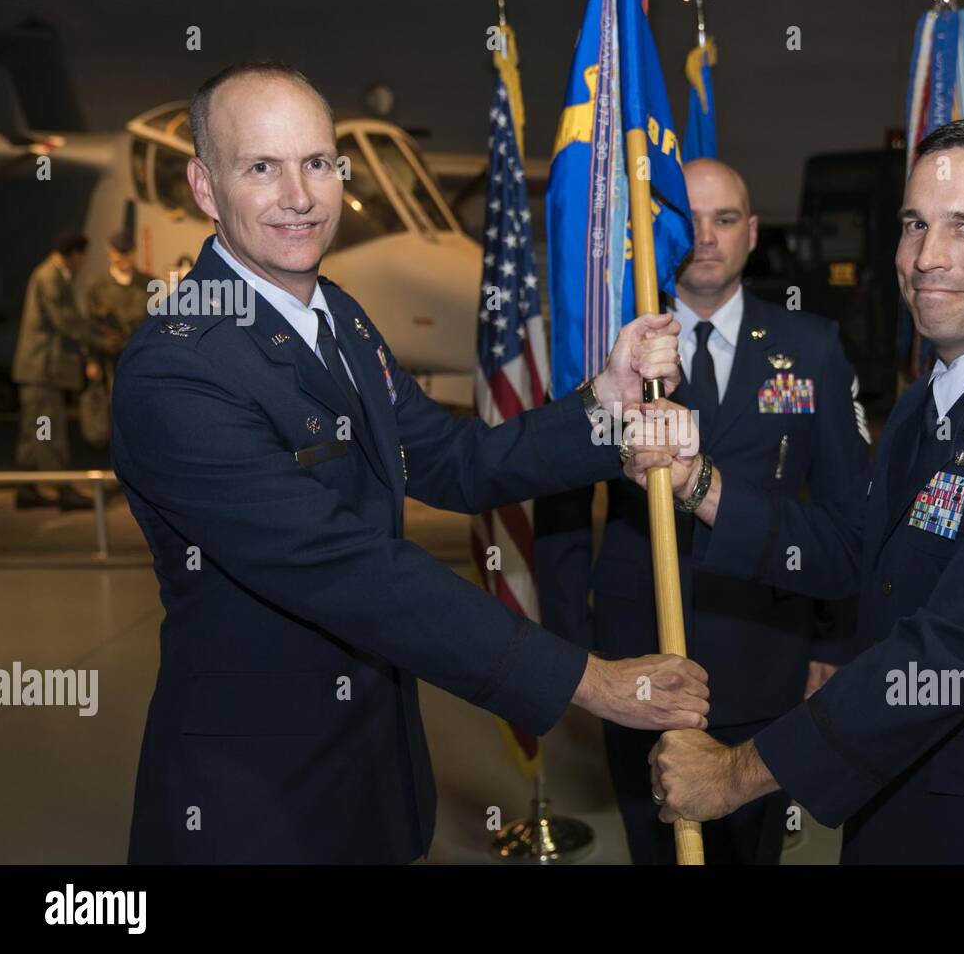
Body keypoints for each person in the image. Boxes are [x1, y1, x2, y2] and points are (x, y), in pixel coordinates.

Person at [111, 61, 709, 864]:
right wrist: (588, 681)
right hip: (253, 804)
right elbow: (347, 568)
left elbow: (457, 461)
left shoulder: (340, 318)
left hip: (378, 776)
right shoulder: (177, 367)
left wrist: (603, 401)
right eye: (262, 167)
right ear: (206, 186)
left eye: (318, 163)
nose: (300, 195)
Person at [633, 118, 964, 864]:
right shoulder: (931, 398)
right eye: (915, 224)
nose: (926, 258)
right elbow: (860, 555)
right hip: (899, 802)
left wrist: (734, 773)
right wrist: (700, 484)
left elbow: (949, 661)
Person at [536, 159, 869, 864]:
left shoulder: (810, 349)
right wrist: (571, 652)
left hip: (768, 652)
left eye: (725, 221)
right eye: (691, 223)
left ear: (752, 233)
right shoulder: (615, 348)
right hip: (638, 659)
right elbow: (560, 507)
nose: (708, 240)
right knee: (656, 848)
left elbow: (845, 510)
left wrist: (833, 645)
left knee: (754, 852)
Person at [11, 232, 120, 510]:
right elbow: (66, 321)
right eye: (82, 257)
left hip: (37, 370)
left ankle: (27, 488)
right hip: (43, 369)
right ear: (74, 254)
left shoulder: (48, 274)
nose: (82, 263)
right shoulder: (50, 277)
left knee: (32, 431)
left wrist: (95, 333)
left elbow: (68, 320)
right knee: (49, 430)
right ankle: (61, 490)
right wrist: (98, 340)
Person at [86, 230, 155, 389]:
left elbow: (156, 324)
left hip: (139, 357)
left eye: (127, 252)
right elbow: (91, 324)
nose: (123, 258)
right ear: (109, 252)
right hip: (107, 359)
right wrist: (92, 360)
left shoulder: (149, 285)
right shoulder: (98, 285)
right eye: (118, 252)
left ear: (134, 252)